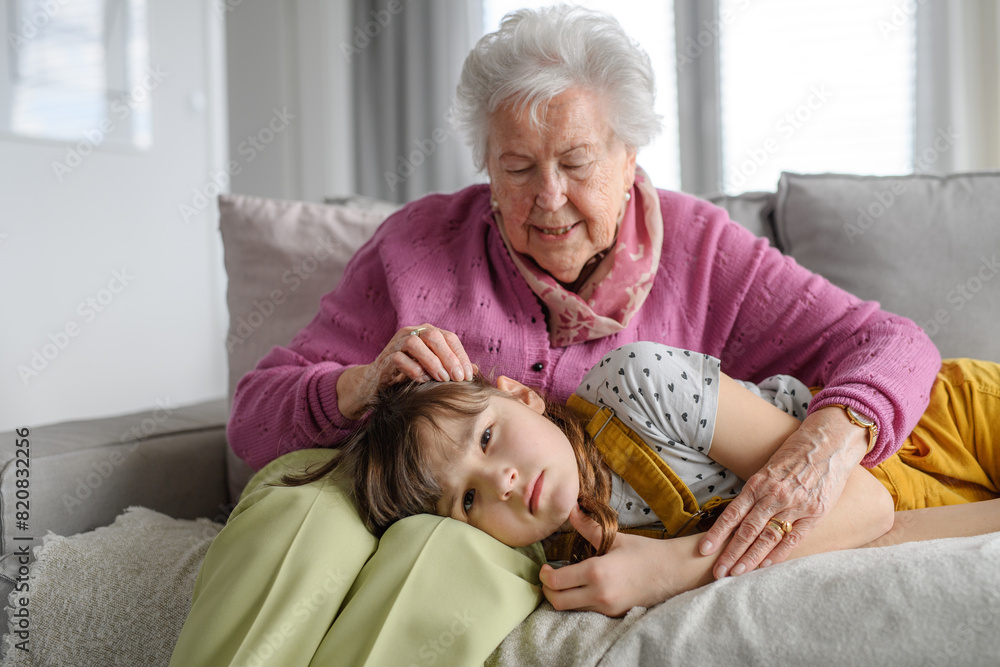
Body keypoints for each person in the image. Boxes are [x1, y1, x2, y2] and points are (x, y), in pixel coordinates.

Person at [229, 4, 940, 586]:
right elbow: (252, 424)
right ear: (486, 166)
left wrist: (821, 450)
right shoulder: (416, 248)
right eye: (517, 168)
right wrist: (359, 384)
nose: (548, 197)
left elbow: (894, 345)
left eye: (575, 163)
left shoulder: (703, 250)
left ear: (629, 157)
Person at [289, 341, 1000, 617]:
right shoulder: (560, 566)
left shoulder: (636, 384)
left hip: (943, 426)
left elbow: (864, 498)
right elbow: (881, 531)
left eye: (486, 437)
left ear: (523, 396)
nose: (500, 481)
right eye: (468, 498)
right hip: (903, 523)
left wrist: (672, 568)